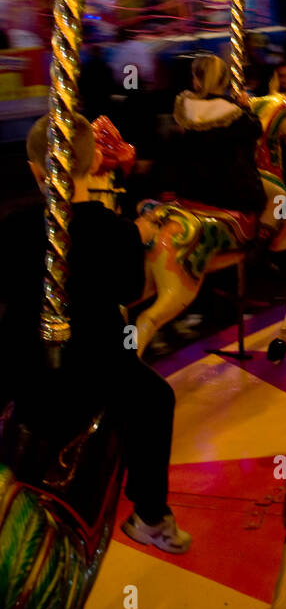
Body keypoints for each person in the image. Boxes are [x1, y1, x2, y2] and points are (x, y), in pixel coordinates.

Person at [0, 113, 191, 553]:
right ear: (92, 166)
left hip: (23, 362)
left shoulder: (12, 227)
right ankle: (150, 514)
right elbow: (129, 291)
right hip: (94, 366)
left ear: (35, 169)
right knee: (156, 399)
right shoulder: (116, 232)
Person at [166, 53, 266, 217]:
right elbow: (256, 130)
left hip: (191, 187)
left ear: (198, 81)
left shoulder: (186, 107)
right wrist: (246, 107)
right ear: (223, 80)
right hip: (230, 192)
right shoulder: (232, 111)